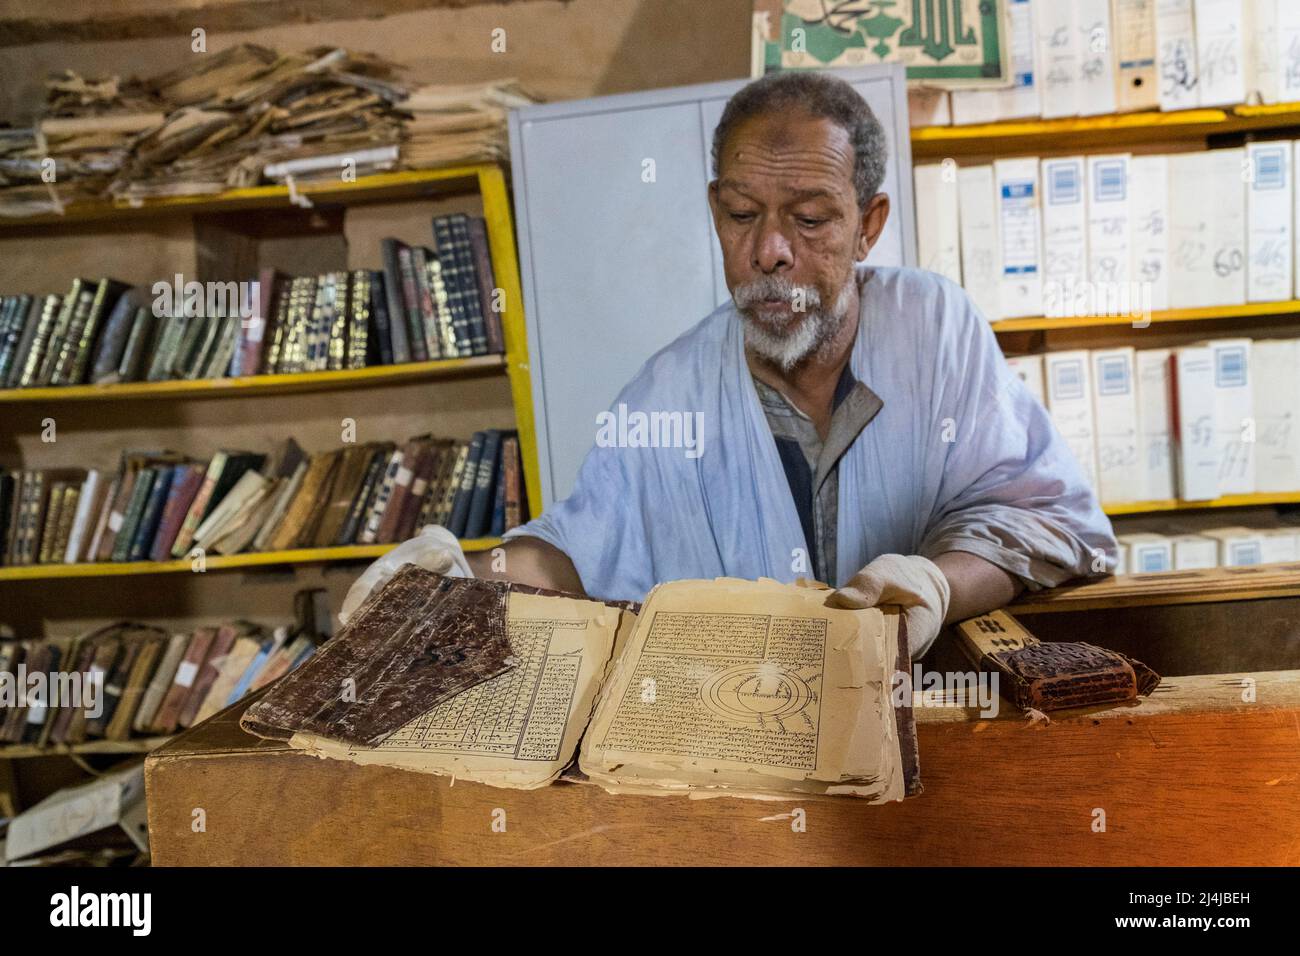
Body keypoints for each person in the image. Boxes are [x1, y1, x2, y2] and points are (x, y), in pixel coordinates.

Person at [349, 70, 1117, 657]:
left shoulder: (932, 327)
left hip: (927, 729)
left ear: (868, 226)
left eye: (811, 219)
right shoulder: (668, 391)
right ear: (717, 209)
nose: (769, 252)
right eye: (742, 215)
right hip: (739, 748)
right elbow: (577, 551)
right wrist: (457, 582)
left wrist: (935, 587)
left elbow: (1039, 517)